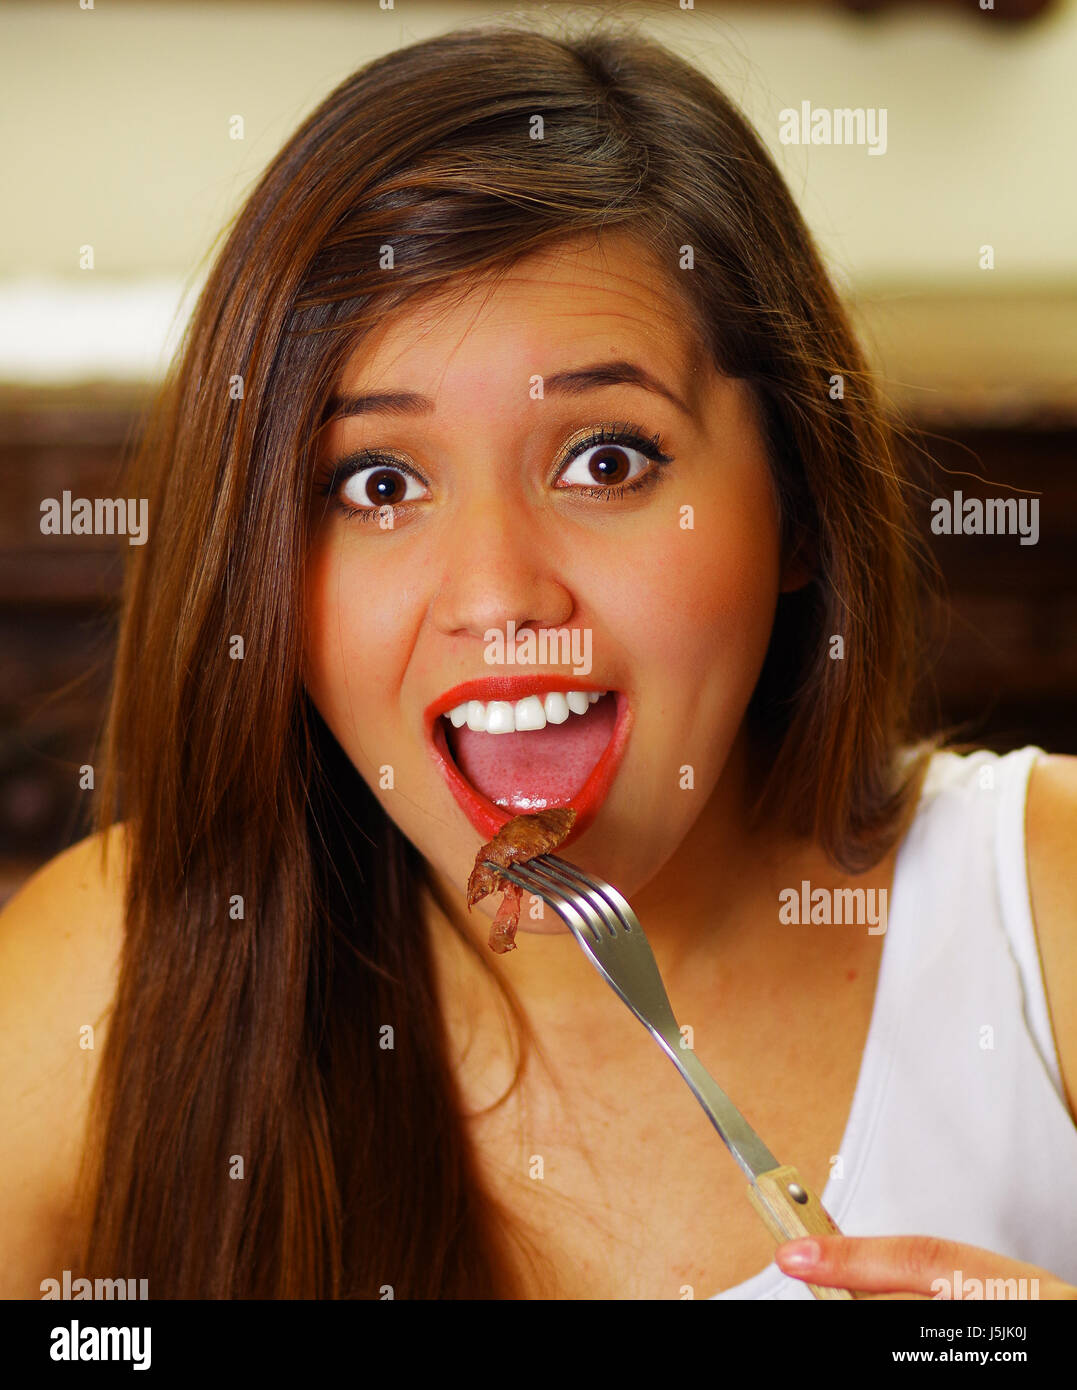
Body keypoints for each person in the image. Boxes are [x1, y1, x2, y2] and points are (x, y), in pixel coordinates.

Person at [1, 18, 1074, 1301]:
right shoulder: (109, 985)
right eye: (380, 481)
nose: (501, 593)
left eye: (606, 460)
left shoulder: (1040, 915)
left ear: (796, 499)